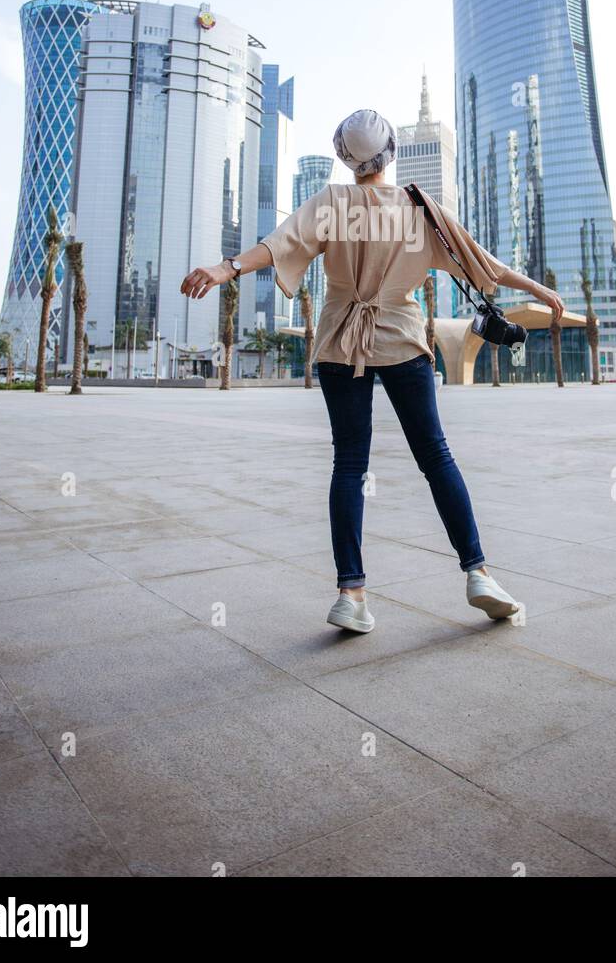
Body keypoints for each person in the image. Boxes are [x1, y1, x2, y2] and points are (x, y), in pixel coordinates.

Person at [181, 108, 564, 634]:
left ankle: (351, 594)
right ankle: (478, 573)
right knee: (436, 456)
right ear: (391, 154)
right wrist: (537, 289)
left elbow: (278, 245)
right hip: (403, 341)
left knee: (348, 465)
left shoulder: (331, 203)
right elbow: (483, 264)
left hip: (340, 343)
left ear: (344, 156)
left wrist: (224, 268)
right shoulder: (418, 207)